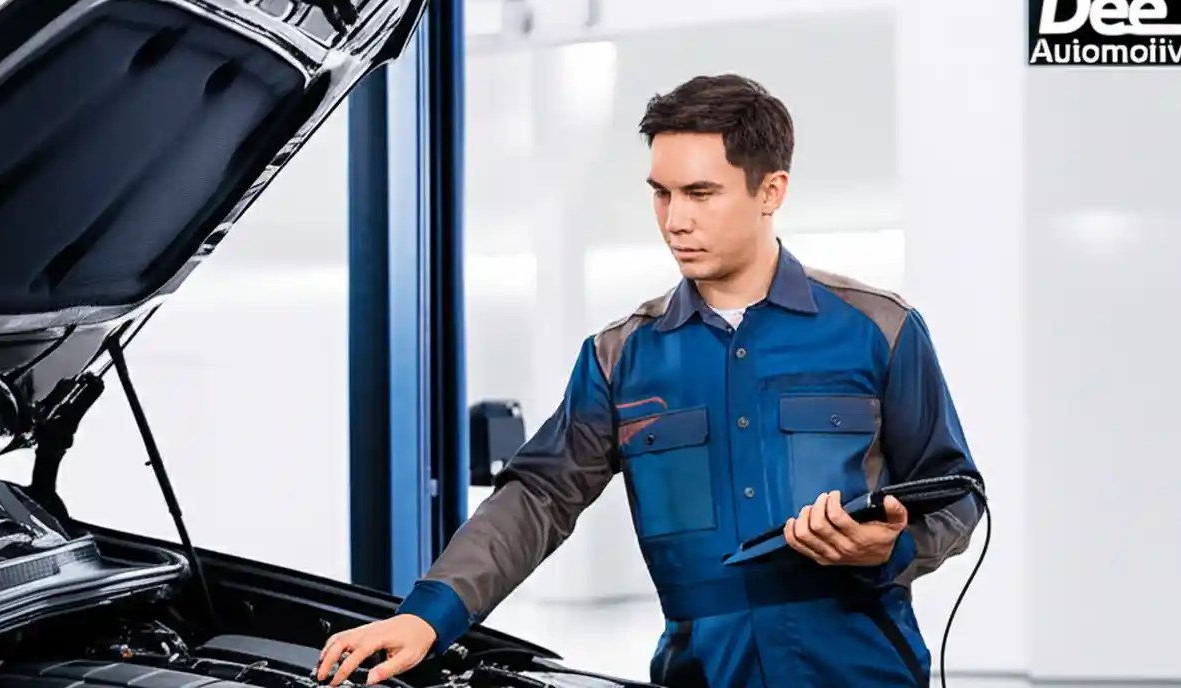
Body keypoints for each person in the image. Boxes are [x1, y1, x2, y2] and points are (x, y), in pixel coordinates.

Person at [316, 74, 984, 687]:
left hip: (864, 674)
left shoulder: (878, 329)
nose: (674, 220)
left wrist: (891, 547)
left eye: (700, 193)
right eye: (661, 193)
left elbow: (958, 497)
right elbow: (539, 498)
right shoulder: (621, 356)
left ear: (770, 191)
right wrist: (428, 614)